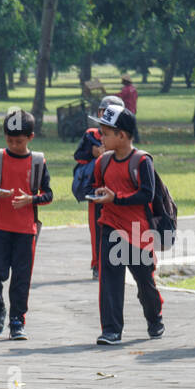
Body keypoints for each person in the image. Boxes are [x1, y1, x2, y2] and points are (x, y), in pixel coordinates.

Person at [89, 103, 164, 345]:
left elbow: (147, 195)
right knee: (109, 281)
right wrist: (100, 193)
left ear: (121, 135)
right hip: (110, 226)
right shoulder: (103, 162)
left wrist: (116, 198)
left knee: (145, 281)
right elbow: (97, 185)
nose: (101, 137)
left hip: (138, 232)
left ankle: (155, 317)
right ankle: (111, 330)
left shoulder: (142, 161)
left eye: (106, 133)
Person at [0, 109, 52, 340]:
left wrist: (31, 199)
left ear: (30, 137)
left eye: (18, 141)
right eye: (9, 140)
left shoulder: (38, 161)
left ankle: (17, 321)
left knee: (21, 279)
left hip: (25, 231)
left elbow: (48, 194)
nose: (13, 145)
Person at [74, 95, 123, 280]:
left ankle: (118, 261)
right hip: (96, 191)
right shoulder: (91, 135)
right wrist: (93, 153)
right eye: (104, 111)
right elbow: (79, 156)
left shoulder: (122, 136)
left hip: (118, 192)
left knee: (119, 230)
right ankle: (97, 264)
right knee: (96, 230)